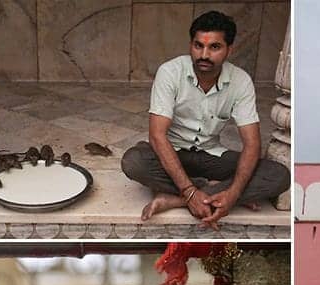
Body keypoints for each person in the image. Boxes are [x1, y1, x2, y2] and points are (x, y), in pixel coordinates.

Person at [121, 10, 290, 229]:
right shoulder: (170, 72)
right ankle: (205, 191)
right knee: (134, 162)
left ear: (230, 49)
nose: (204, 55)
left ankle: (176, 199)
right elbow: (157, 135)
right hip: (173, 153)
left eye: (214, 47)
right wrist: (191, 191)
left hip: (211, 155)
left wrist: (233, 193)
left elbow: (252, 144)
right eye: (198, 45)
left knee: (277, 175)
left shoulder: (241, 81)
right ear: (191, 45)